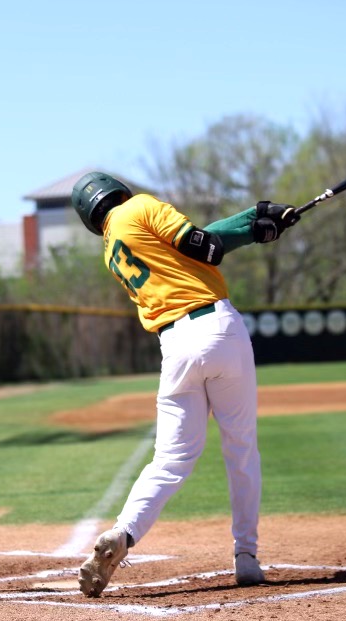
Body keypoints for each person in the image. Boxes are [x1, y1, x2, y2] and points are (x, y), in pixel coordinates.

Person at [69, 172, 302, 597]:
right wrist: (256, 228)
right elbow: (206, 248)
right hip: (218, 329)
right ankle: (246, 556)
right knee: (241, 447)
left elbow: (191, 247)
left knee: (171, 458)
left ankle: (123, 533)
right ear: (118, 192)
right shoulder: (138, 206)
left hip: (174, 347)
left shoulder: (112, 249)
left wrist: (253, 220)